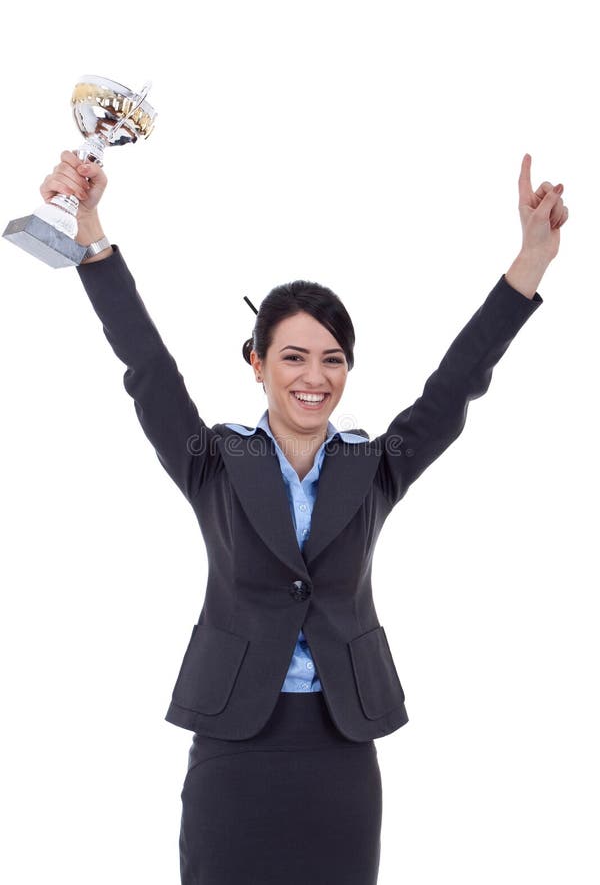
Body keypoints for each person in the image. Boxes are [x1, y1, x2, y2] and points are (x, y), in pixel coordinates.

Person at [39, 150, 568, 885]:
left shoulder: (375, 467)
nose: (314, 378)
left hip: (342, 745)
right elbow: (147, 368)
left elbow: (456, 385)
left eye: (333, 359)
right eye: (292, 357)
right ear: (256, 363)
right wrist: (91, 232)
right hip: (233, 745)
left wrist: (529, 264)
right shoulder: (211, 461)